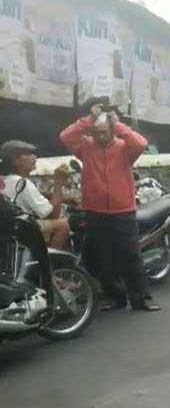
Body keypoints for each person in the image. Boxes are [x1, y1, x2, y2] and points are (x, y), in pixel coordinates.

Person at [58, 101, 158, 312]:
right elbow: (65, 136)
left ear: (112, 132)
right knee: (103, 257)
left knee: (131, 255)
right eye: (96, 132)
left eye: (104, 132)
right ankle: (115, 297)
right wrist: (88, 119)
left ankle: (141, 299)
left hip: (123, 210)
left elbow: (140, 144)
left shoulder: (124, 149)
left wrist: (118, 124)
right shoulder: (85, 147)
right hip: (95, 211)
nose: (100, 136)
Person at [0, 140, 71, 250]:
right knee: (63, 225)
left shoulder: (7, 179)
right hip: (21, 229)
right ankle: (50, 263)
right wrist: (58, 182)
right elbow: (52, 214)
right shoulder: (23, 183)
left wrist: (59, 196)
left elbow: (29, 193)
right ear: (15, 160)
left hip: (7, 228)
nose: (34, 158)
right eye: (28, 154)